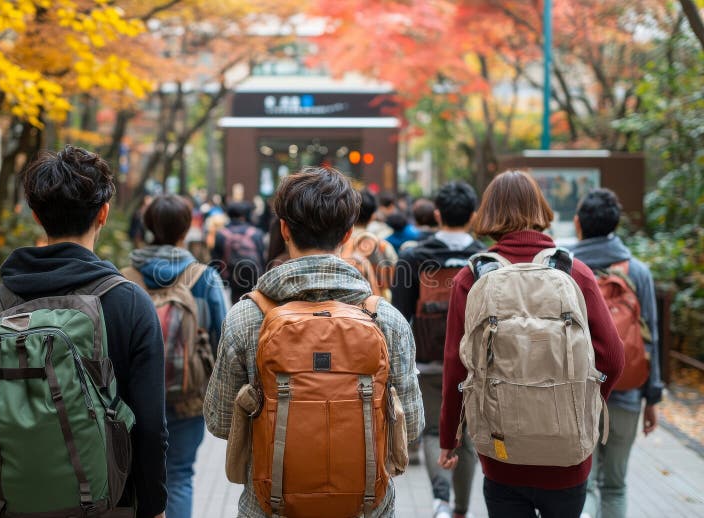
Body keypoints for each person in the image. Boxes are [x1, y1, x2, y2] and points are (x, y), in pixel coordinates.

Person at [0, 146, 167, 518]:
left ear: (35, 215)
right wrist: (154, 507)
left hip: (7, 507)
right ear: (104, 213)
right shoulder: (129, 303)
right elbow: (151, 428)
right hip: (110, 505)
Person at [203, 167, 424, 517]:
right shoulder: (384, 319)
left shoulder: (248, 316)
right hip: (365, 505)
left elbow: (219, 421)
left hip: (271, 505)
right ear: (348, 233)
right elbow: (410, 424)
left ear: (284, 229)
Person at [438, 170, 624, 518]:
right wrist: (585, 405)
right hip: (568, 457)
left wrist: (449, 438)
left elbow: (456, 368)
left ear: (488, 212)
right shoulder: (574, 272)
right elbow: (613, 358)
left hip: (502, 454)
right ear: (540, 207)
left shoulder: (472, 277)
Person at [124, 194, 227, 518]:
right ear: (186, 229)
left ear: (148, 227)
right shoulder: (203, 277)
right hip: (187, 395)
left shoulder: (124, 277)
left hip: (133, 399)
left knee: (136, 477)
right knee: (180, 476)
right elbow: (222, 337)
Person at [392, 181, 484, 518]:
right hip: (475, 365)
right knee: (469, 438)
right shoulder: (486, 259)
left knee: (433, 430)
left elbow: (399, 319)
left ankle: (440, 502)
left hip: (428, 361)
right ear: (473, 216)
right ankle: (461, 509)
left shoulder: (413, 257)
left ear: (437, 214)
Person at [571, 189, 663, 518]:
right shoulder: (637, 272)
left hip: (574, 393)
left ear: (578, 223)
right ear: (616, 225)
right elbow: (652, 337)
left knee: (586, 483)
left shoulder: (564, 269)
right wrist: (652, 397)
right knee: (616, 485)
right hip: (626, 392)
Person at [211, 201, 266, 304]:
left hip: (232, 279)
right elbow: (262, 259)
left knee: (235, 303)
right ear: (245, 215)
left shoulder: (221, 234)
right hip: (254, 278)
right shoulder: (256, 233)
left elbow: (215, 261)